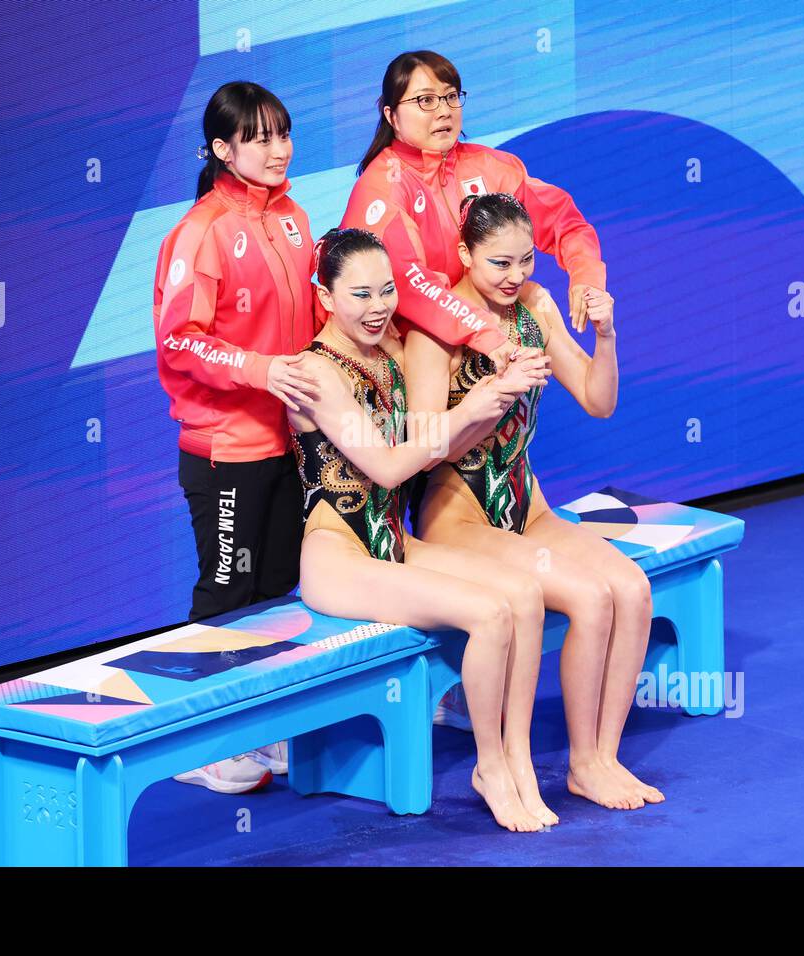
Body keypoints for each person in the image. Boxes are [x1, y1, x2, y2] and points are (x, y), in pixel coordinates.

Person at [341, 48, 611, 727]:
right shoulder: (382, 185)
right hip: (402, 380)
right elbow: (417, 285)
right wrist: (495, 342)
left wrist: (582, 273)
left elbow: (563, 222)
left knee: (475, 509)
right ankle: (337, 715)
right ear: (390, 113)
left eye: (450, 96)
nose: (441, 110)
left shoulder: (492, 169)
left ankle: (469, 680)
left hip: (467, 370)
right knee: (392, 524)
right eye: (424, 100)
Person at [287, 227, 559, 830]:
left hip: (394, 544)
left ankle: (519, 756)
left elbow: (429, 452)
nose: (378, 305)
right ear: (325, 296)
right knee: (488, 615)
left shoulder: (392, 354)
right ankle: (489, 764)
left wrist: (491, 398)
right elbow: (385, 465)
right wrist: (468, 412)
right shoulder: (314, 373)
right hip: (340, 557)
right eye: (359, 294)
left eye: (387, 290)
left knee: (525, 595)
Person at [404, 192, 664, 811]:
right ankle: (569, 760)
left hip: (527, 506)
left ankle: (598, 759)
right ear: (464, 255)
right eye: (498, 263)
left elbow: (599, 402)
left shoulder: (536, 308)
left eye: (525, 261)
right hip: (457, 513)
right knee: (590, 597)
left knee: (631, 589)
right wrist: (492, 394)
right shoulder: (437, 330)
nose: (515, 276)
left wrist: (606, 336)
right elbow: (424, 449)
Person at [153, 81, 320, 793]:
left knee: (279, 592)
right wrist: (263, 369)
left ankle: (263, 729)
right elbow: (180, 344)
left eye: (281, 133)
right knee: (227, 593)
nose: (276, 150)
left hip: (290, 443)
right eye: (257, 137)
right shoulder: (201, 230)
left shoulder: (293, 218)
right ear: (222, 149)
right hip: (226, 449)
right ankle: (198, 744)